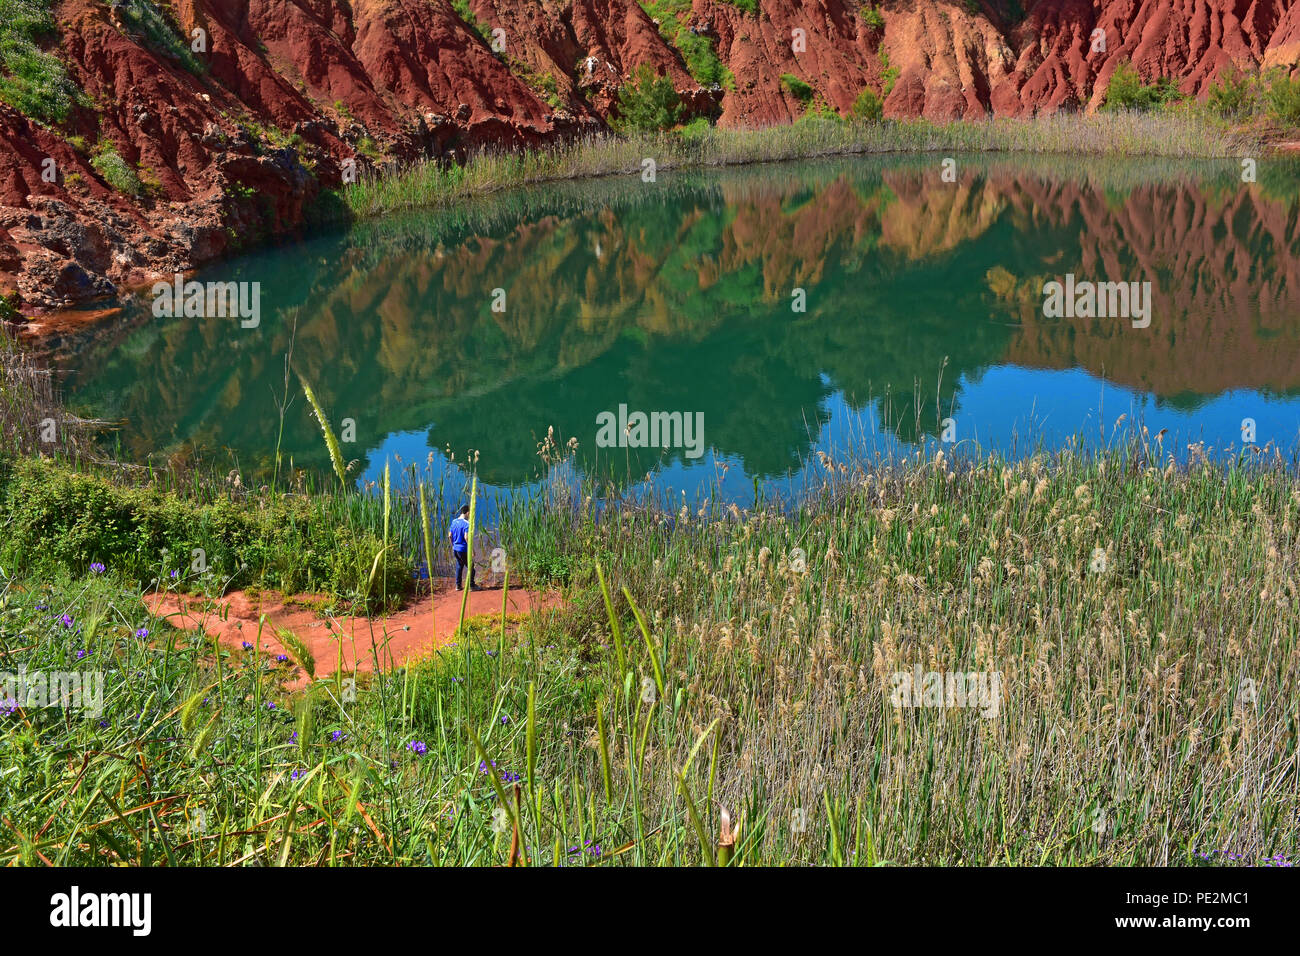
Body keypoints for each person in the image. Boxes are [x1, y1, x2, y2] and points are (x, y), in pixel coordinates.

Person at [449, 505, 477, 590]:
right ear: (468, 513)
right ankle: (471, 586)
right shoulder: (466, 524)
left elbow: (449, 535)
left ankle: (458, 585)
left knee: (459, 566)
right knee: (471, 567)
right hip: (463, 549)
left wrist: (453, 545)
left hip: (456, 549)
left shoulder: (454, 521)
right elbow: (466, 537)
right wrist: (472, 550)